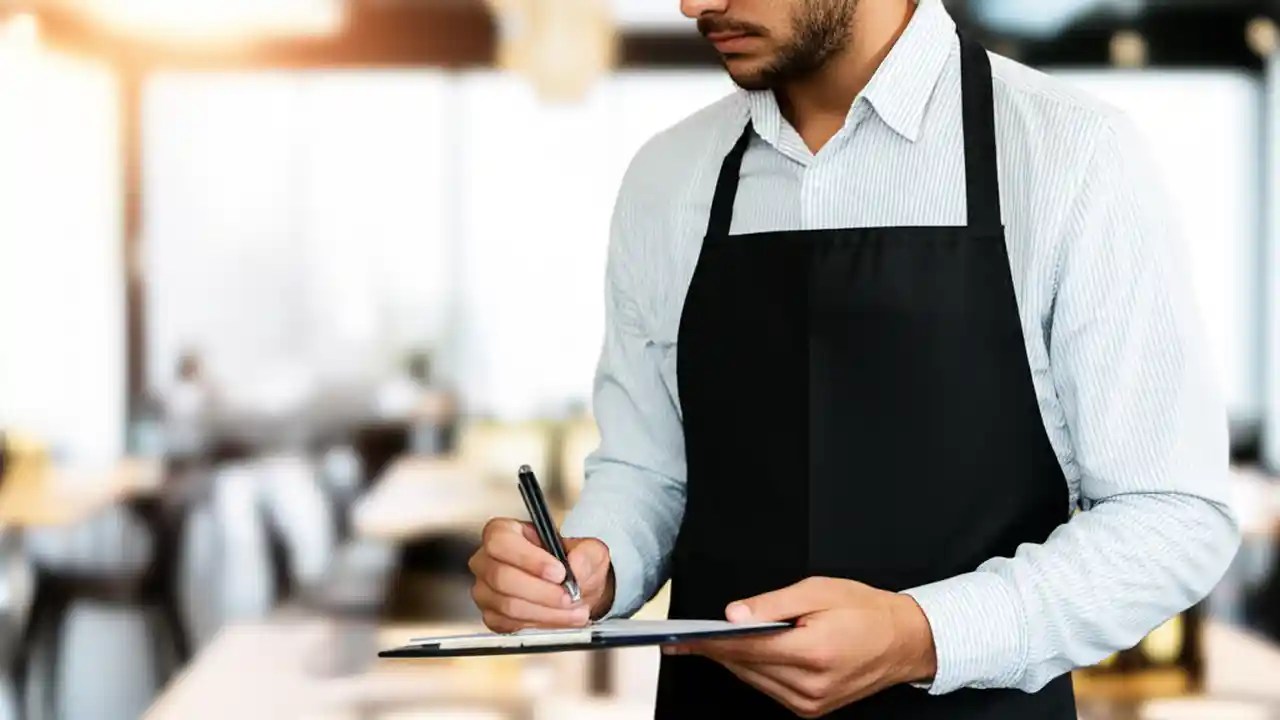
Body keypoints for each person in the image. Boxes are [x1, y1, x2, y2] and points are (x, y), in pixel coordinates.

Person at [467, 0, 1241, 717]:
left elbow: (1173, 514)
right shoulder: (667, 177)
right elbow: (650, 471)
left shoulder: (1072, 154)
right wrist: (591, 570)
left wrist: (922, 633)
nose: (691, 2)